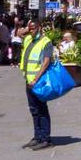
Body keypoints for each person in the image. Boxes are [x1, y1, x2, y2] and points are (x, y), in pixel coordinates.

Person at [20, 20, 54, 151]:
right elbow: (18, 33)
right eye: (30, 28)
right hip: (29, 81)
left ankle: (46, 138)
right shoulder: (29, 39)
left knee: (41, 109)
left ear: (40, 28)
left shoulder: (46, 42)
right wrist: (26, 29)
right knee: (33, 110)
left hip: (38, 81)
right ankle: (37, 136)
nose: (31, 30)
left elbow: (46, 62)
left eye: (34, 28)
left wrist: (36, 79)